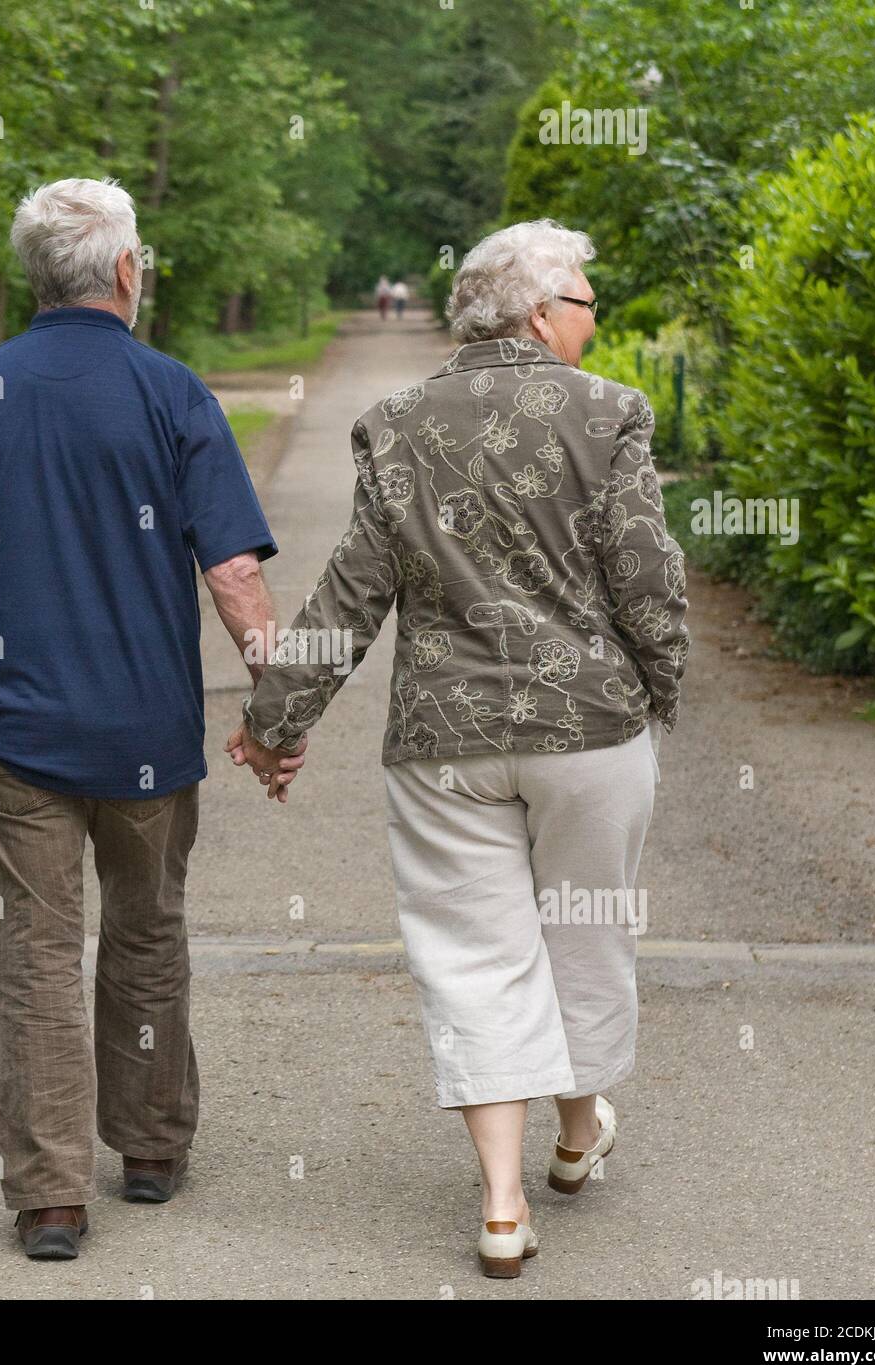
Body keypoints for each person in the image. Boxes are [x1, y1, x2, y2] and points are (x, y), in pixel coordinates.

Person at [228, 219, 689, 1278]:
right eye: (581, 299)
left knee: (474, 959)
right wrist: (656, 692)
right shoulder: (610, 413)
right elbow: (647, 578)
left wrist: (272, 725)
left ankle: (501, 1202)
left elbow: (353, 591)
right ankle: (575, 1132)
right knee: (580, 934)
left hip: (444, 741)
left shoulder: (394, 424)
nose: (591, 317)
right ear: (537, 313)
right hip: (589, 733)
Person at [0, 176, 303, 1261]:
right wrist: (276, 708)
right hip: (148, 732)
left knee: (32, 948)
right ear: (125, 271)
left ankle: (49, 1195)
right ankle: (151, 1147)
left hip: (18, 733)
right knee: (148, 928)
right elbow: (234, 572)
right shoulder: (172, 392)